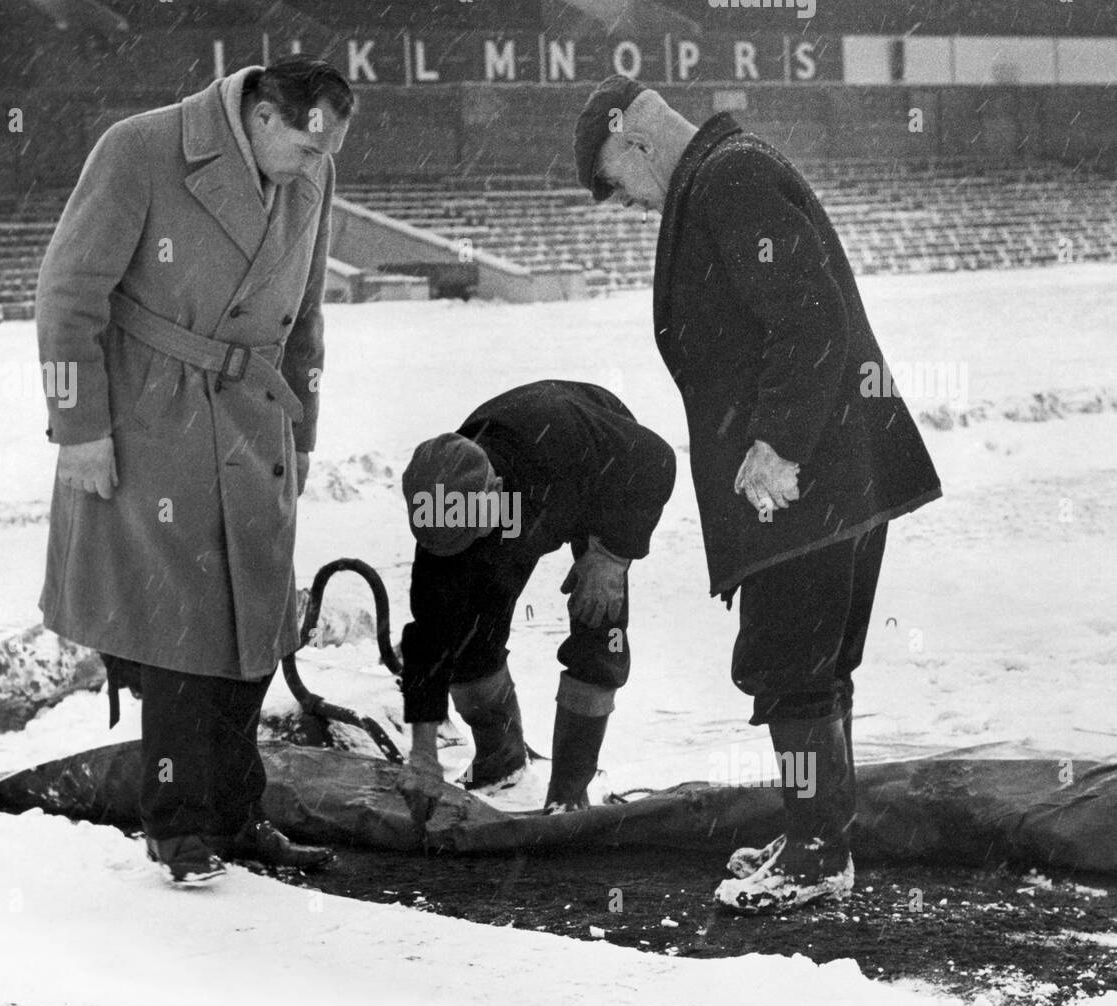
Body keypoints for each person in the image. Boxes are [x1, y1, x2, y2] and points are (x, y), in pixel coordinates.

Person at [572, 76, 943, 913]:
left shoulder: (728, 176)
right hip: (835, 477)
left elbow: (808, 318)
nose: (632, 204)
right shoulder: (727, 169)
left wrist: (777, 445)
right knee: (813, 664)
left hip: (807, 482)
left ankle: (817, 854)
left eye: (621, 182)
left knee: (790, 665)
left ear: (631, 134)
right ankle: (817, 833)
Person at [36, 56, 353, 885]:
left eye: (328, 153)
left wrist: (305, 429)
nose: (318, 169)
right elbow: (67, 294)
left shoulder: (310, 174)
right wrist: (79, 429)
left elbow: (307, 318)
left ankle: (237, 817)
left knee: (255, 628)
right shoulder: (141, 150)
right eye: (307, 149)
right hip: (155, 419)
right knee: (179, 629)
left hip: (255, 420)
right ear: (261, 118)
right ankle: (176, 827)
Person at [395, 380, 676, 821]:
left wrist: (610, 555)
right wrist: (423, 755)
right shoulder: (445, 507)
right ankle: (501, 759)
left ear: (492, 497)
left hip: (595, 478)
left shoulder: (562, 451)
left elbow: (656, 461)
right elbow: (430, 636)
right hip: (517, 500)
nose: (456, 553)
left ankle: (570, 786)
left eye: (468, 536)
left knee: (598, 622)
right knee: (466, 635)